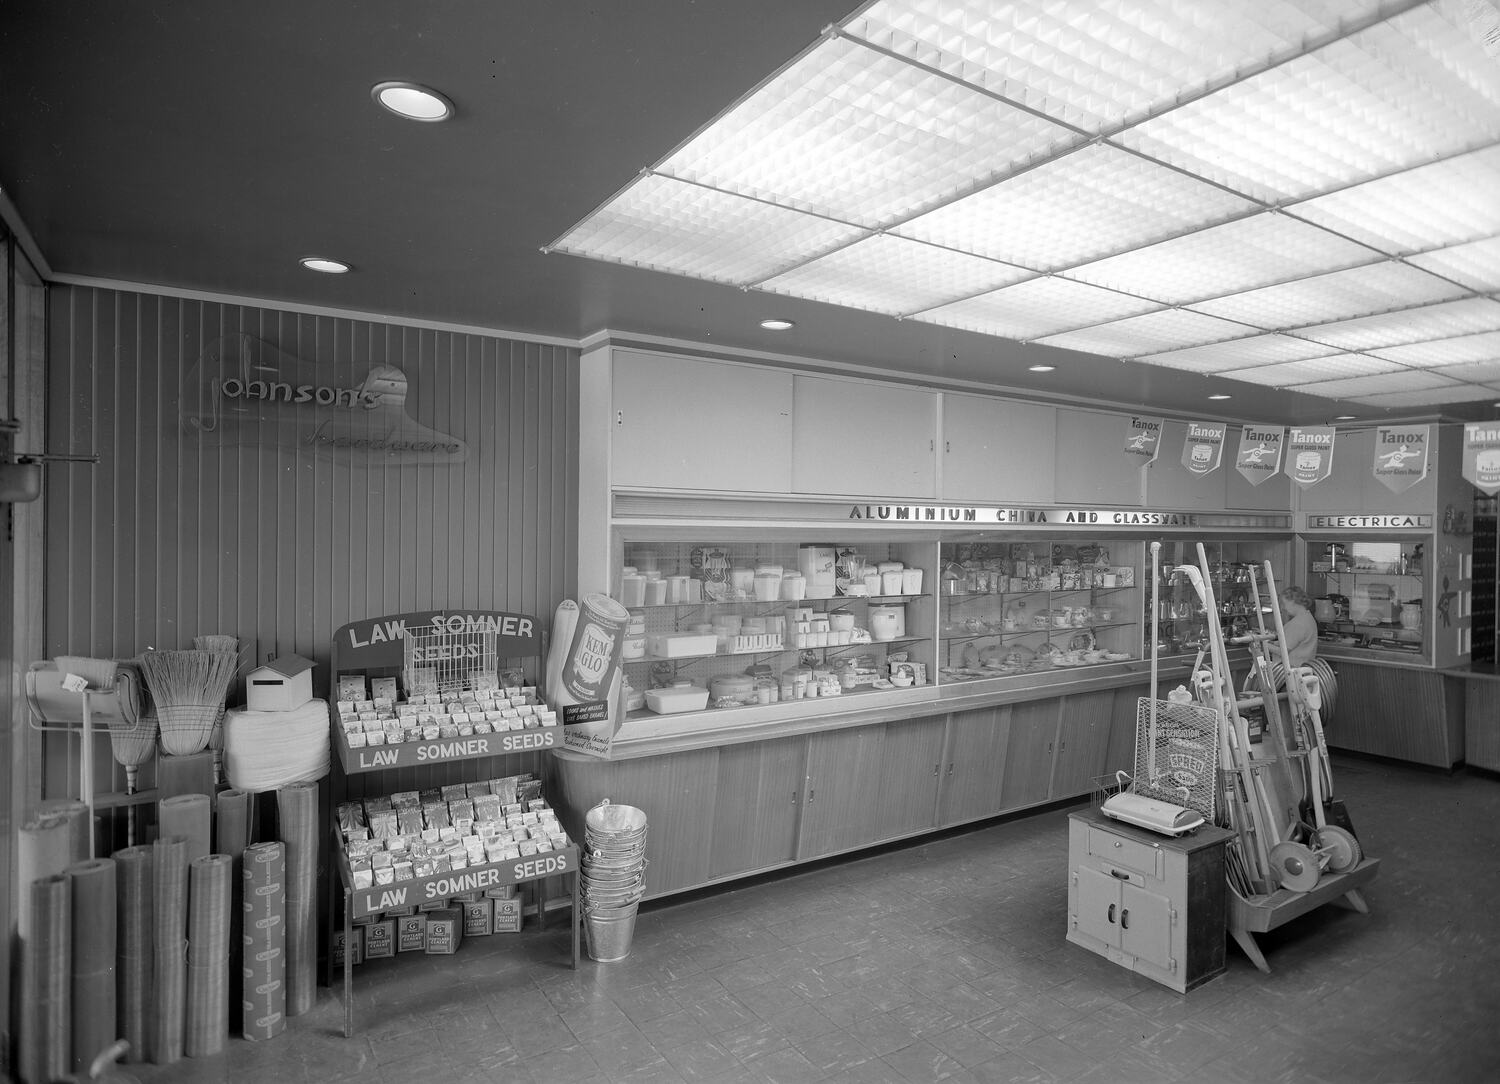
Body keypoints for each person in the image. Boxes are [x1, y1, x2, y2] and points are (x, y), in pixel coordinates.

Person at [1279, 585, 1318, 666]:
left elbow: (1283, 651)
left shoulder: (1297, 623)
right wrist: (1273, 643)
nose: (1283, 608)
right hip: (1304, 669)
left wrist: (1263, 645)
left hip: (1292, 671)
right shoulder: (1308, 618)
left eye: (1284, 603)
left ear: (1292, 601)